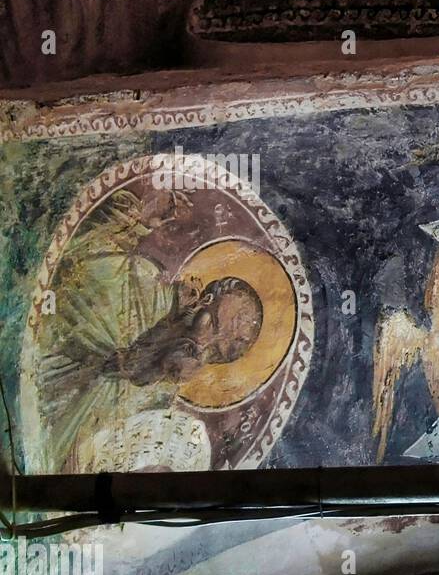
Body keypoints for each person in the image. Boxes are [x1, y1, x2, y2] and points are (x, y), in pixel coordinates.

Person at [31, 187, 264, 471]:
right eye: (212, 324)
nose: (203, 346)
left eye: (216, 351)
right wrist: (133, 220)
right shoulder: (144, 290)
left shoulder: (162, 407)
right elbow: (75, 277)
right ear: (203, 301)